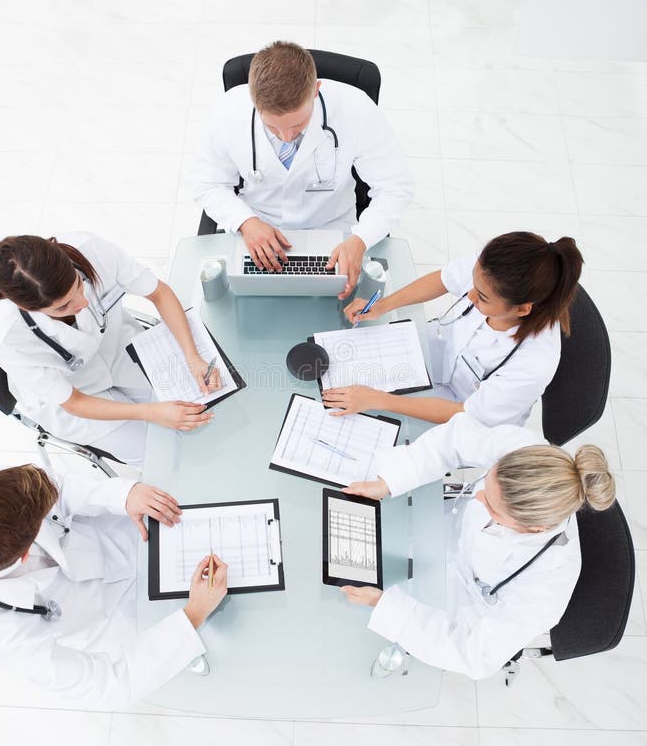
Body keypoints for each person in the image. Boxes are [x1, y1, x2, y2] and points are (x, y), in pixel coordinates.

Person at [340, 413, 615, 680]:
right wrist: (389, 481)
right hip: (439, 527)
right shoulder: (523, 454)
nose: (479, 497)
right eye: (487, 483)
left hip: (456, 604)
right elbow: (455, 439)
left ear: (535, 529)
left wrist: (388, 607)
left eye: (493, 507)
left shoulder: (548, 585)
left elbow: (475, 653)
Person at [0, 464, 228, 707]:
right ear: (26, 552)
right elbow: (108, 685)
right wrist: (193, 615)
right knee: (203, 631)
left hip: (109, 543)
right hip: (101, 619)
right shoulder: (2, 638)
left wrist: (124, 495)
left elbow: (57, 488)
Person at [192, 40, 414, 299]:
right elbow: (207, 183)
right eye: (273, 128)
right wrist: (245, 222)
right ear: (253, 100)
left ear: (316, 90)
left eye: (297, 125)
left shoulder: (357, 109)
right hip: (258, 231)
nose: (286, 137)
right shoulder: (228, 111)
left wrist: (360, 239)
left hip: (334, 233)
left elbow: (396, 187)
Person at [0, 232, 221, 467]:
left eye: (78, 284)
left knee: (202, 412)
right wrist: (151, 412)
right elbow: (74, 401)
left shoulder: (92, 250)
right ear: (27, 307)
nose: (82, 302)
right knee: (166, 459)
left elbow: (158, 293)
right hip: (76, 398)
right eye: (64, 306)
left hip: (119, 350)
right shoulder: (7, 338)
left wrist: (192, 357)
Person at [323, 231, 584, 427]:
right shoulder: (493, 270)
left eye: (482, 298)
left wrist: (378, 400)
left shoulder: (533, 363)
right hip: (427, 360)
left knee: (366, 419)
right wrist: (383, 305)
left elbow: (468, 413)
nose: (469, 295)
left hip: (461, 415)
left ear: (522, 309)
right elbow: (444, 279)